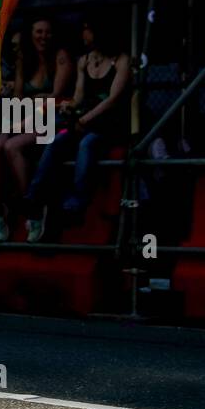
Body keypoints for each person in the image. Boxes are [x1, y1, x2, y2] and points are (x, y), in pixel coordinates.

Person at [22, 15, 131, 242]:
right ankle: (33, 195)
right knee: (57, 141)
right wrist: (69, 109)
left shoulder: (121, 61)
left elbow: (112, 99)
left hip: (109, 124)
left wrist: (85, 119)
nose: (84, 34)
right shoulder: (84, 61)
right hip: (84, 121)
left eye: (87, 29)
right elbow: (79, 97)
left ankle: (78, 201)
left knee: (87, 143)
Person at [0, 17, 73, 241]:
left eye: (47, 32)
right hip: (25, 114)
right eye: (38, 32)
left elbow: (56, 96)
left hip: (52, 117)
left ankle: (33, 209)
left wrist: (31, 101)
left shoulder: (60, 56)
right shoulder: (24, 58)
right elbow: (17, 97)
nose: (43, 36)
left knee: (12, 147)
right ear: (31, 34)